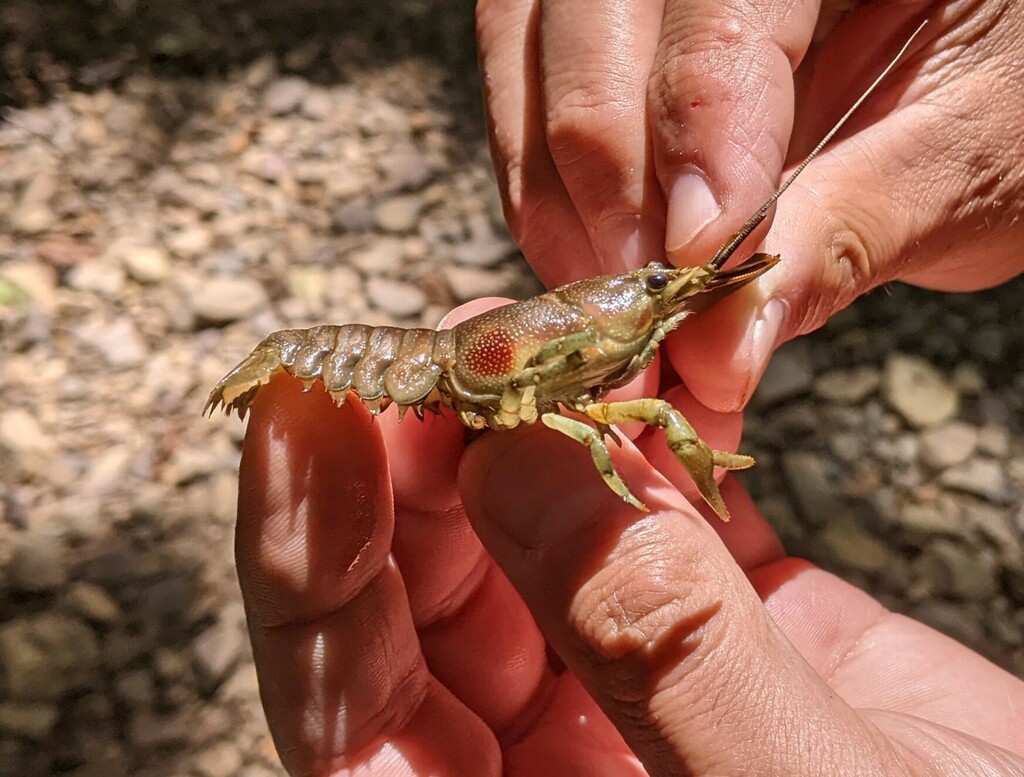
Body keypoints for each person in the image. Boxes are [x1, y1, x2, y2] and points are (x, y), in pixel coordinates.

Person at [233, 2, 1024, 774]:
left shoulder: (620, 330)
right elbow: (588, 428)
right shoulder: (564, 354)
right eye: (649, 285)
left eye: (652, 288)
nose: (659, 292)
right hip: (428, 369)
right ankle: (279, 369)